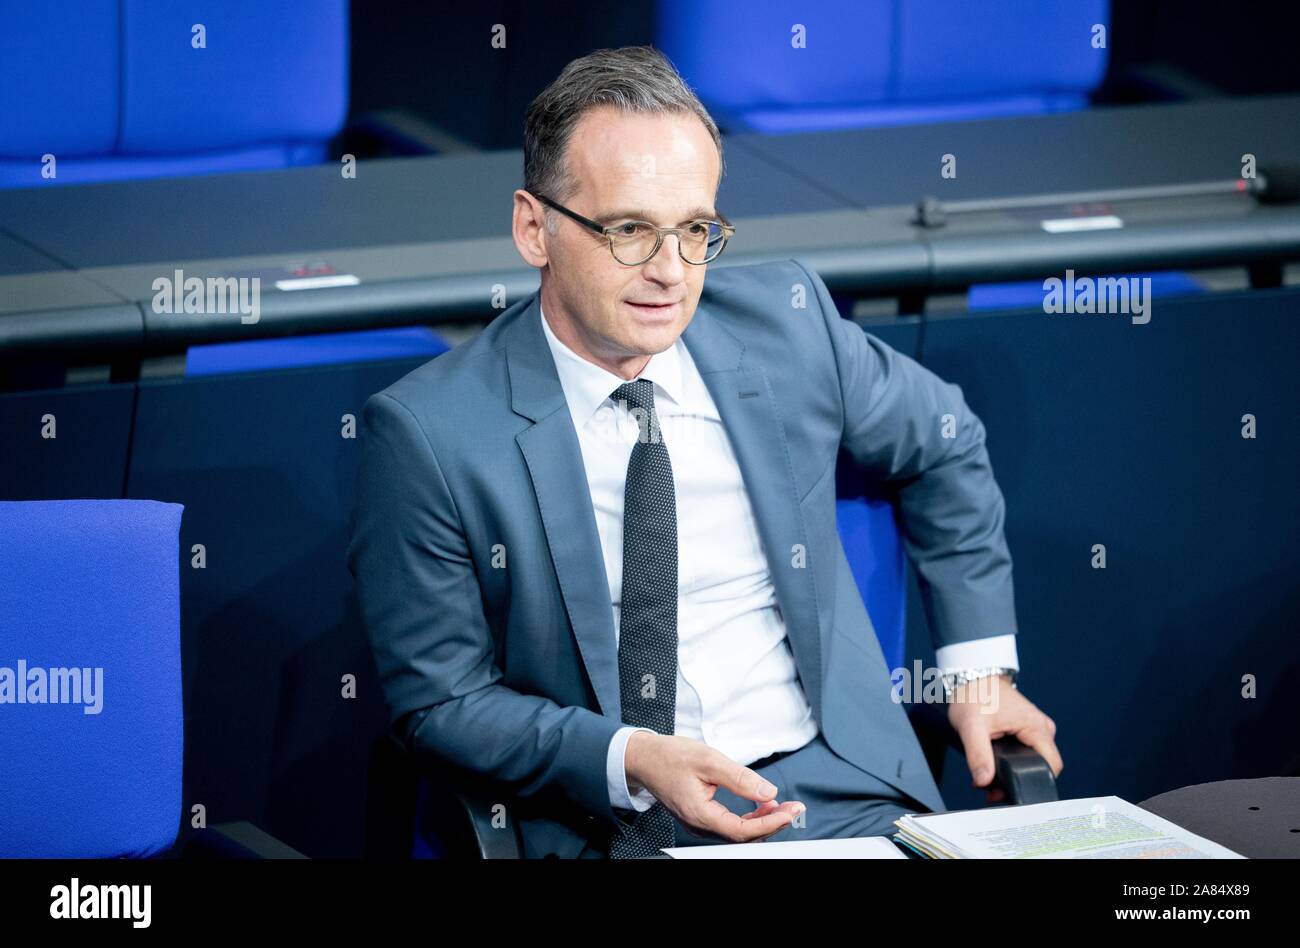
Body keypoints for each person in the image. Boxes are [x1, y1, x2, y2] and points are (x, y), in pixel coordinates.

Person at [348, 45, 1062, 859]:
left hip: (834, 794)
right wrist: (631, 757)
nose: (670, 271)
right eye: (629, 230)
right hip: (605, 822)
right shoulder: (429, 432)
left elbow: (943, 442)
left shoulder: (787, 327)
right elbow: (441, 705)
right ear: (534, 228)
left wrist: (978, 675)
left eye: (695, 230)